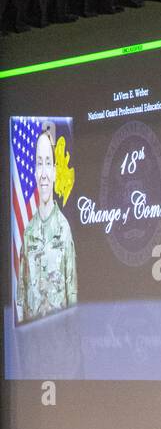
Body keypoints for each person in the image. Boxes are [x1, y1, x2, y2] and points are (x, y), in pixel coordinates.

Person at [16, 123, 77, 323]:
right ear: (34, 170)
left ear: (54, 170)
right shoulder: (28, 233)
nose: (43, 173)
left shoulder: (64, 229)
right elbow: (21, 302)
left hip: (60, 346)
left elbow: (73, 300)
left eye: (48, 163)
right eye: (39, 163)